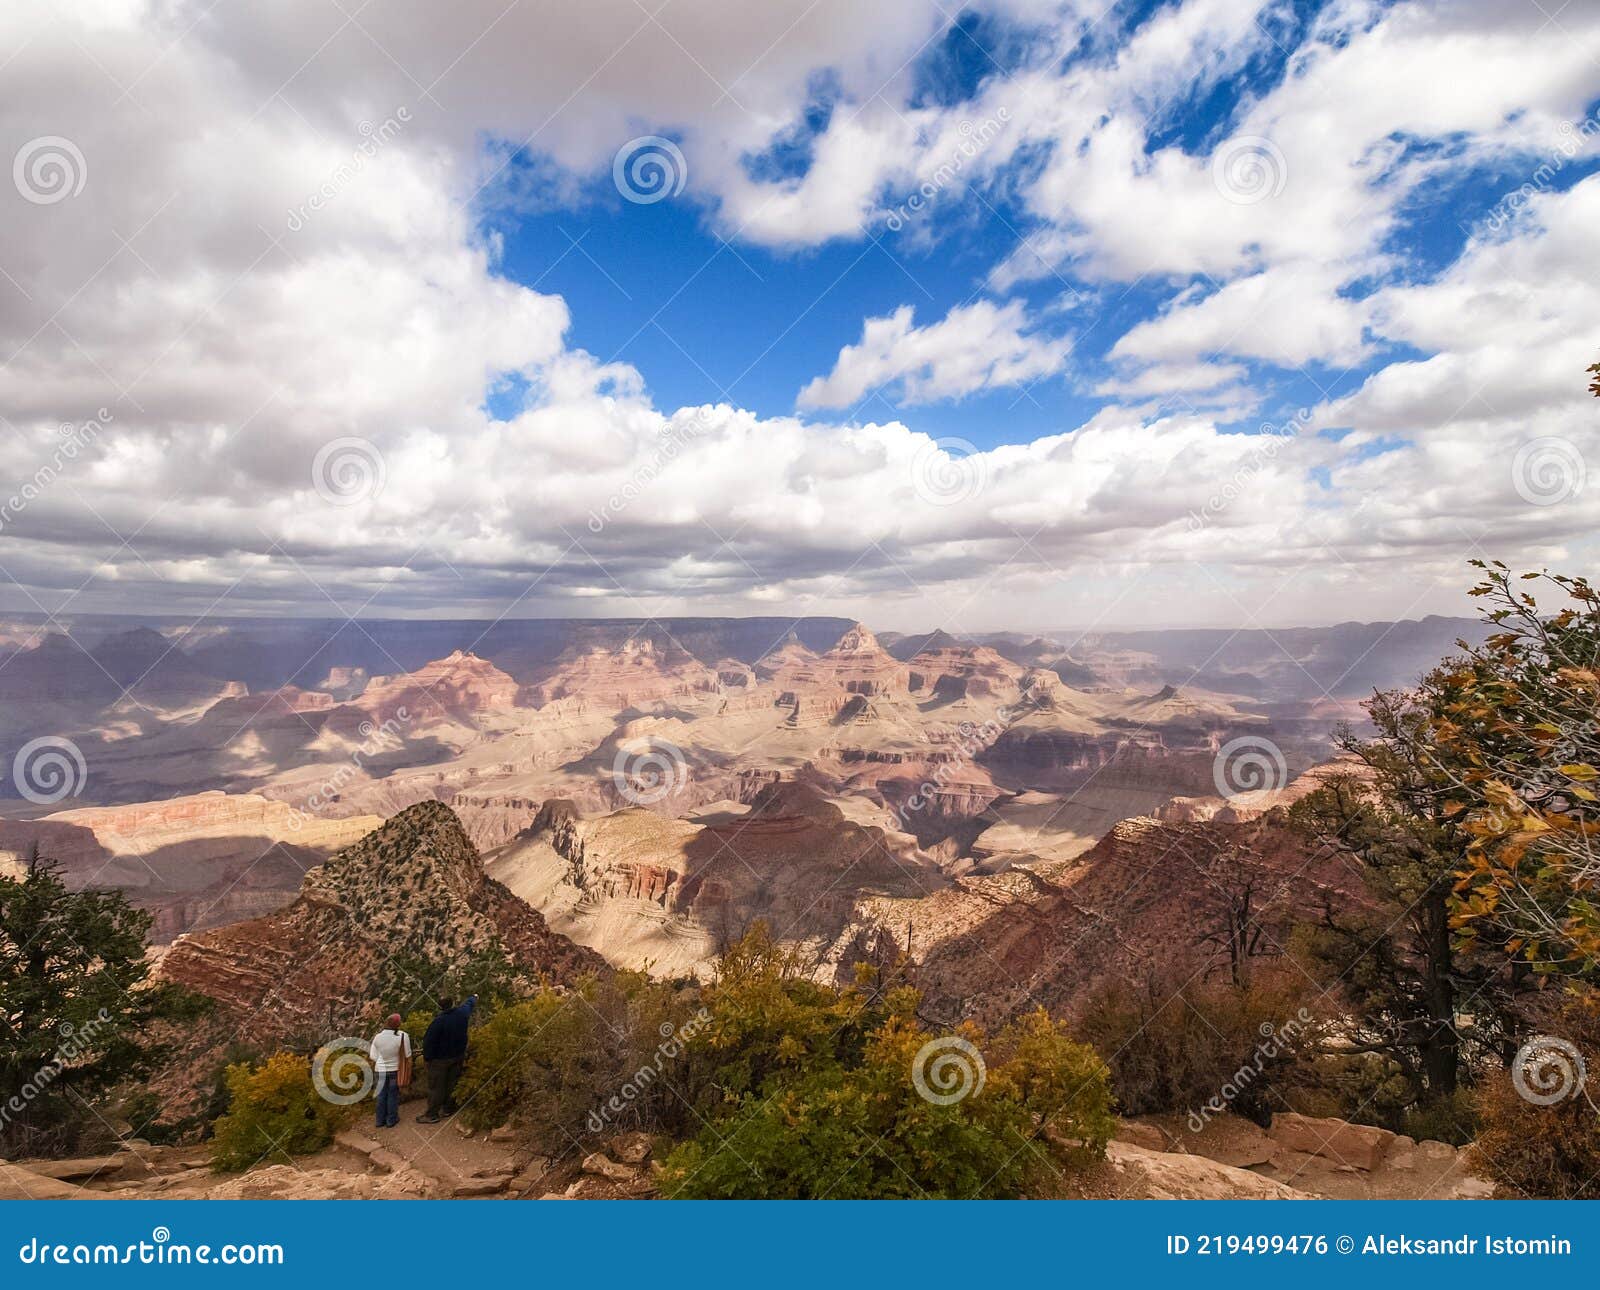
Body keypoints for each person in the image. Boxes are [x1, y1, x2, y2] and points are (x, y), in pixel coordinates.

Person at [416, 993, 476, 1124]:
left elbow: (428, 1042)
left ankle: (432, 1114)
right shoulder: (462, 1014)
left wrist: (427, 1059)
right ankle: (448, 1108)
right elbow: (469, 1004)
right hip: (458, 1056)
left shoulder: (438, 1022)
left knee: (436, 1087)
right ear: (453, 1003)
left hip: (439, 1060)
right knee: (452, 1083)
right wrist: (474, 996)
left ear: (440, 1007)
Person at [368, 1013, 412, 1130]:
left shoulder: (377, 1037)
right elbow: (407, 1055)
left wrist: (381, 1061)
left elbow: (372, 1056)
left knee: (381, 1095)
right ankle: (391, 1120)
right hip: (395, 1070)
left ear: (386, 1023)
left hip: (380, 1070)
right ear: (398, 1024)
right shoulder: (403, 1036)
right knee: (392, 1095)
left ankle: (379, 1121)